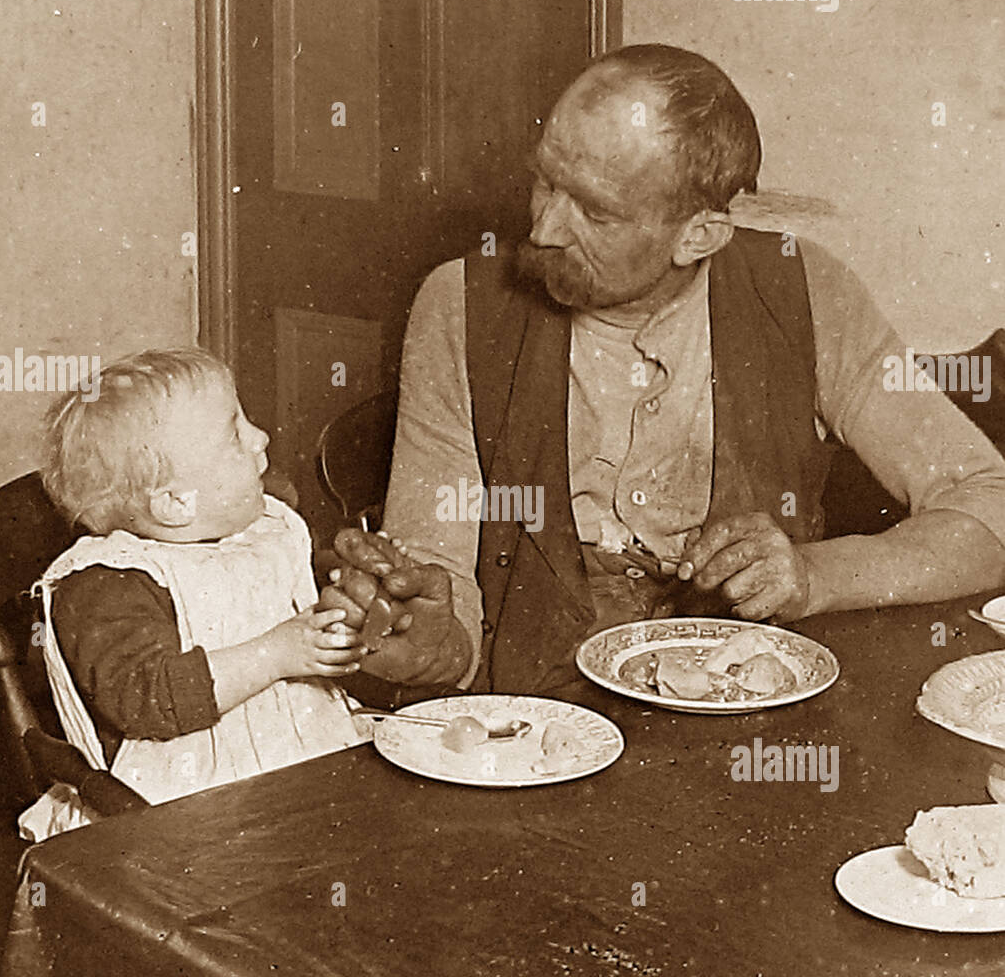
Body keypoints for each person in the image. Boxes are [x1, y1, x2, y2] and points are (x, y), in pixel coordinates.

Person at [321, 44, 1005, 694]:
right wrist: (435, 643)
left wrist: (813, 577)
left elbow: (990, 501)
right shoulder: (459, 306)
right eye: (545, 183)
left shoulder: (804, 292)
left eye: (594, 211)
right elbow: (440, 569)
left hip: (743, 731)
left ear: (700, 234)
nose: (545, 230)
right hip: (541, 726)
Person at [19, 348, 371, 841]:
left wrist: (346, 596)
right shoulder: (107, 582)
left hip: (297, 758)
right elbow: (146, 699)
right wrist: (276, 654)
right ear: (176, 503)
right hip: (181, 804)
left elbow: (284, 594)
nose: (261, 437)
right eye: (235, 433)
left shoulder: (265, 528)